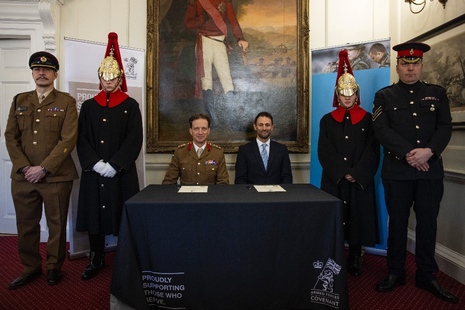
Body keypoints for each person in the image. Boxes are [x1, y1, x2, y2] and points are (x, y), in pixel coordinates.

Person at [373, 42, 458, 303]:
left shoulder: (437, 93)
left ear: (421, 65)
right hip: (397, 171)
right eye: (405, 64)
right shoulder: (384, 96)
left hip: (430, 172)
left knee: (427, 224)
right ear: (397, 66)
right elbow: (381, 130)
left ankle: (426, 274)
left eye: (415, 64)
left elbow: (445, 127)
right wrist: (412, 154)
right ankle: (395, 272)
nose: (410, 69)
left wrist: (428, 151)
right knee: (397, 223)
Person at [5, 51, 79, 288]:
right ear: (33, 73)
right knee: (26, 224)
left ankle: (54, 268)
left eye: (47, 70)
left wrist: (44, 168)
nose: (42, 73)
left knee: (56, 225)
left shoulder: (66, 102)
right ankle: (30, 267)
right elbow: (10, 137)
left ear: (55, 74)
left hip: (56, 176)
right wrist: (26, 167)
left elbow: (68, 139)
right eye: (37, 69)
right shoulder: (20, 100)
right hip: (23, 177)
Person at [76, 32, 143, 280]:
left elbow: (134, 138)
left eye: (113, 76)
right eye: (104, 75)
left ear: (120, 77)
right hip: (95, 172)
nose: (108, 80)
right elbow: (80, 138)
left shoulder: (130, 105)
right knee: (95, 214)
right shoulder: (89, 107)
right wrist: (95, 163)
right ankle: (96, 256)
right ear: (99, 77)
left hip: (120, 173)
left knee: (122, 213)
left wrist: (115, 165)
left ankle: (124, 258)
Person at [318, 50, 379, 276]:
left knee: (357, 218)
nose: (346, 97)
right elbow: (324, 151)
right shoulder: (327, 120)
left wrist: (356, 173)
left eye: (350, 93)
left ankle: (355, 255)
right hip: (335, 180)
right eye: (342, 93)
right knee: (336, 218)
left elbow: (372, 151)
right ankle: (334, 254)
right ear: (337, 93)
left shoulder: (368, 120)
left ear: (356, 94)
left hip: (358, 181)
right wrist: (342, 172)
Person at [185, 0, 249, 125]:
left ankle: (234, 119)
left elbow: (232, 20)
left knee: (226, 79)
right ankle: (210, 120)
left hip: (220, 42)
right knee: (206, 81)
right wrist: (203, 18)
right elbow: (188, 24)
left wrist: (240, 38)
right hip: (204, 41)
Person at [162, 113, 229, 185]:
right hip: (186, 195)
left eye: (204, 128)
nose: (200, 132)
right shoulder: (180, 152)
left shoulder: (217, 153)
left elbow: (223, 183)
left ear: (208, 131)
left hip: (209, 195)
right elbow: (168, 182)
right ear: (191, 131)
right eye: (196, 129)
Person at [235, 111, 292, 184]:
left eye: (267, 125)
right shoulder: (244, 150)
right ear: (255, 126)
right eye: (261, 125)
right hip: (252, 194)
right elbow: (240, 179)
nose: (264, 128)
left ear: (272, 127)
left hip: (277, 194)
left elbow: (287, 177)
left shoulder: (281, 150)